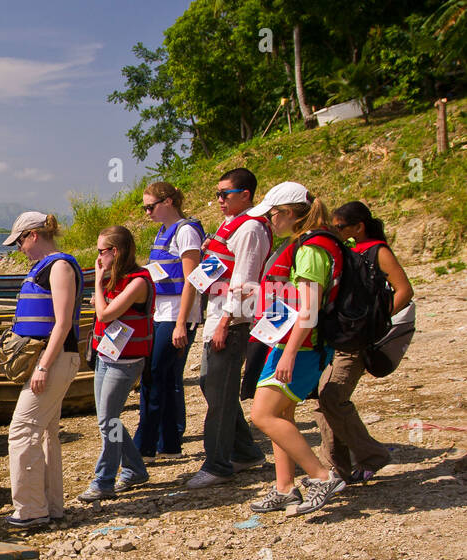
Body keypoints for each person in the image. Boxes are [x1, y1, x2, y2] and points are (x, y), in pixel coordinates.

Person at [247, 182, 348, 515]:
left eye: (272, 215)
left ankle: (321, 476)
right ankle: (285, 488)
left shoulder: (311, 249)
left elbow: (309, 308)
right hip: (292, 343)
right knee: (281, 414)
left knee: (262, 415)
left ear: (289, 213)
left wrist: (289, 353)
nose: (270, 222)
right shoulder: (306, 244)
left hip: (303, 348)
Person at [187, 167, 272, 489]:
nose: (219, 200)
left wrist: (225, 323)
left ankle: (217, 464)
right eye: (217, 194)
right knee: (211, 386)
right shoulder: (230, 225)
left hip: (232, 321)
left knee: (220, 395)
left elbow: (246, 282)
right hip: (216, 316)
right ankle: (247, 452)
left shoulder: (251, 229)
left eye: (226, 194)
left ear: (245, 195)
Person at [318, 201, 413, 482]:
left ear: (358, 227)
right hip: (337, 335)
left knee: (331, 397)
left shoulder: (378, 251)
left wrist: (376, 322)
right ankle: (337, 466)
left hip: (356, 340)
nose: (337, 232)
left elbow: (404, 290)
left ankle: (370, 456)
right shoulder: (347, 250)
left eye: (340, 227)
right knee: (324, 398)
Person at [3, 211, 83, 530]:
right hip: (51, 359)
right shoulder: (44, 267)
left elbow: (62, 323)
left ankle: (30, 510)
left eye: (21, 241)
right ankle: (50, 506)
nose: (19, 248)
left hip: (55, 359)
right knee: (46, 431)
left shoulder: (60, 267)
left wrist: (43, 366)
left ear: (34, 235)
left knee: (22, 430)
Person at [81, 226, 154, 501]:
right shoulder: (118, 278)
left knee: (107, 420)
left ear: (115, 252)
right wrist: (101, 290)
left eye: (101, 251)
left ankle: (104, 480)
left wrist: (98, 285)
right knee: (106, 419)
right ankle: (135, 469)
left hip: (125, 361)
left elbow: (105, 312)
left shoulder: (138, 282)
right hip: (105, 355)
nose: (98, 258)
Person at [135, 181, 204, 459]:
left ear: (168, 202)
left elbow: (191, 280)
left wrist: (181, 324)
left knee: (154, 376)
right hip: (159, 313)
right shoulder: (163, 232)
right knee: (165, 377)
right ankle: (169, 443)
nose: (147, 212)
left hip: (176, 316)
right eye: (145, 208)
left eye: (150, 206)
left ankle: (145, 445)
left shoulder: (186, 232)